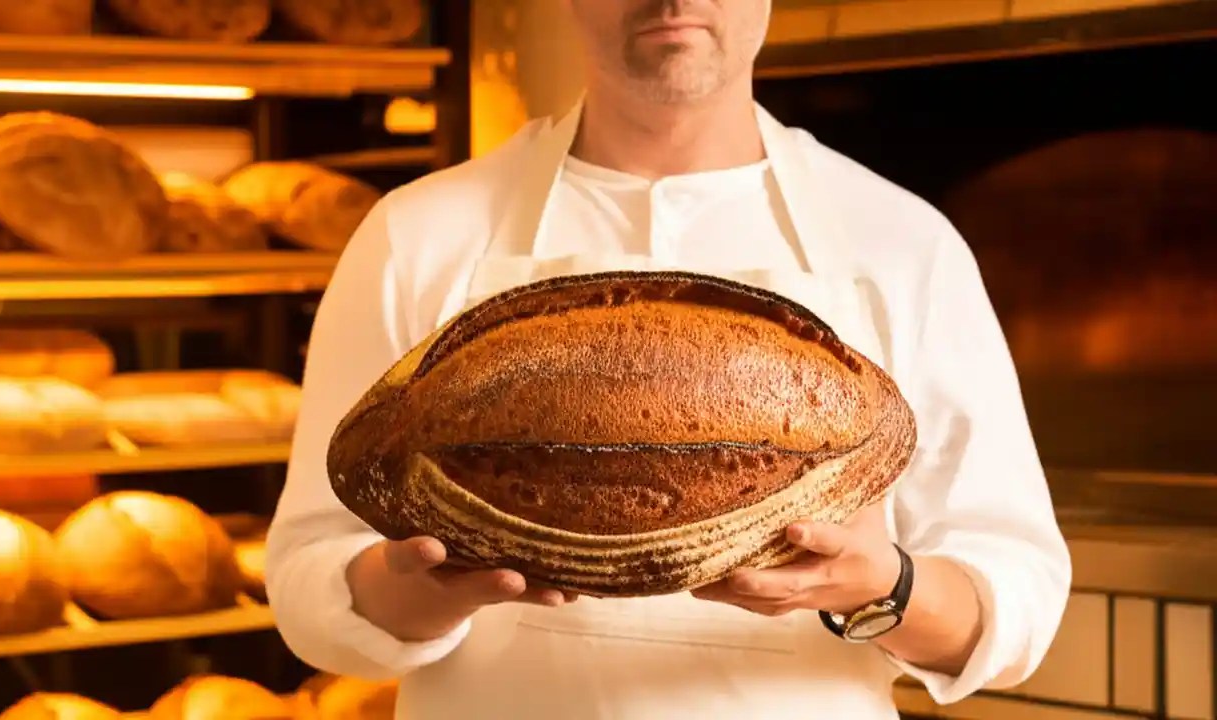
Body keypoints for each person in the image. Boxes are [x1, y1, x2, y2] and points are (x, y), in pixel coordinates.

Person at [264, 1, 1073, 718]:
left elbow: (1015, 602)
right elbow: (306, 581)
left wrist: (883, 585)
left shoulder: (901, 242)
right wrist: (408, 597)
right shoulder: (419, 235)